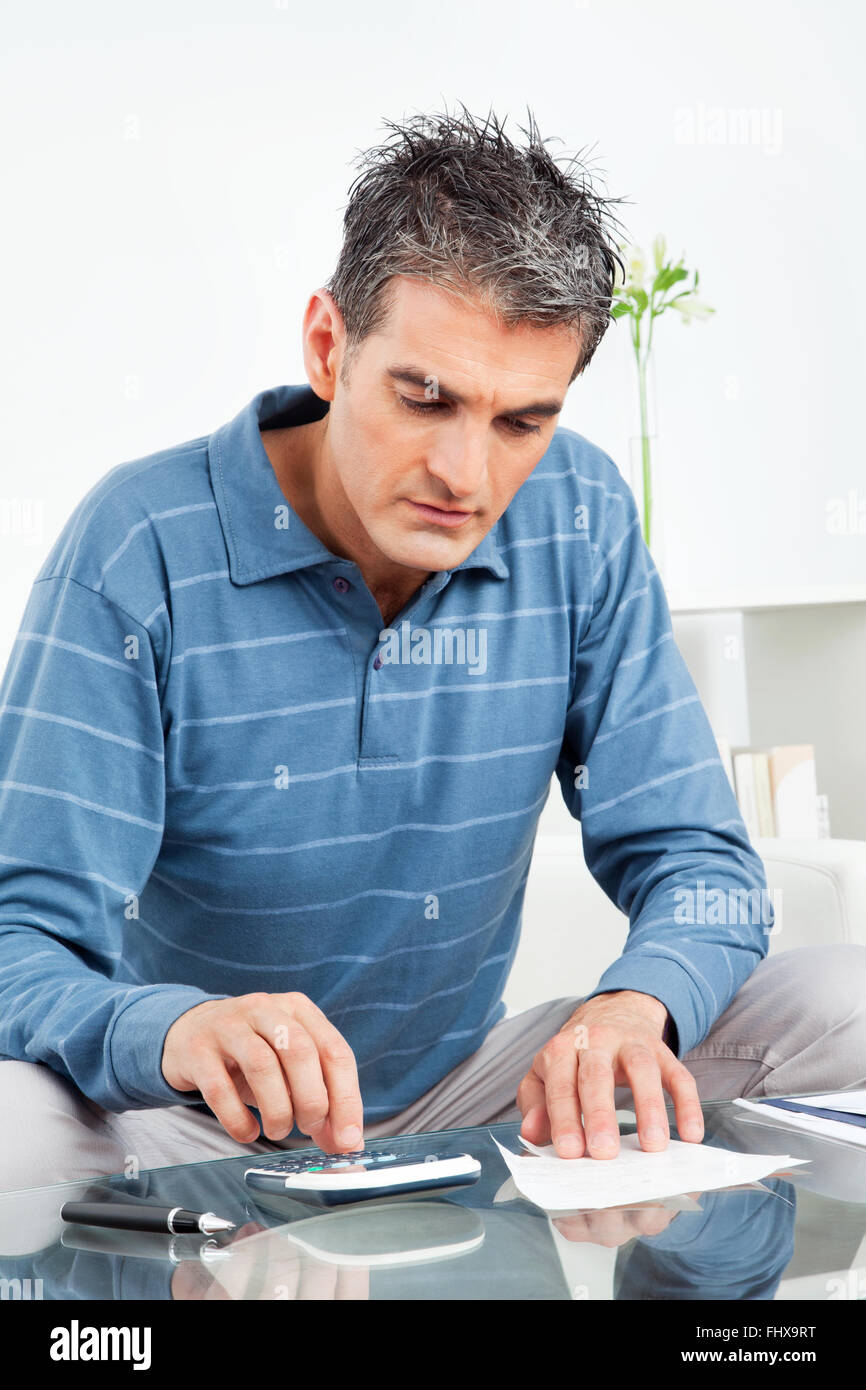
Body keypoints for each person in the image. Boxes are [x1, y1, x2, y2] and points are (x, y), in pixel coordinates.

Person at [1, 105, 864, 1195]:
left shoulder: (577, 514)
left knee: (846, 1000)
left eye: (519, 422)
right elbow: (17, 939)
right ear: (328, 346)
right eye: (425, 397)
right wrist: (174, 1030)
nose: (467, 474)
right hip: (181, 1118)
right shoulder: (138, 545)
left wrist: (630, 1006)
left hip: (472, 1092)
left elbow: (699, 864)